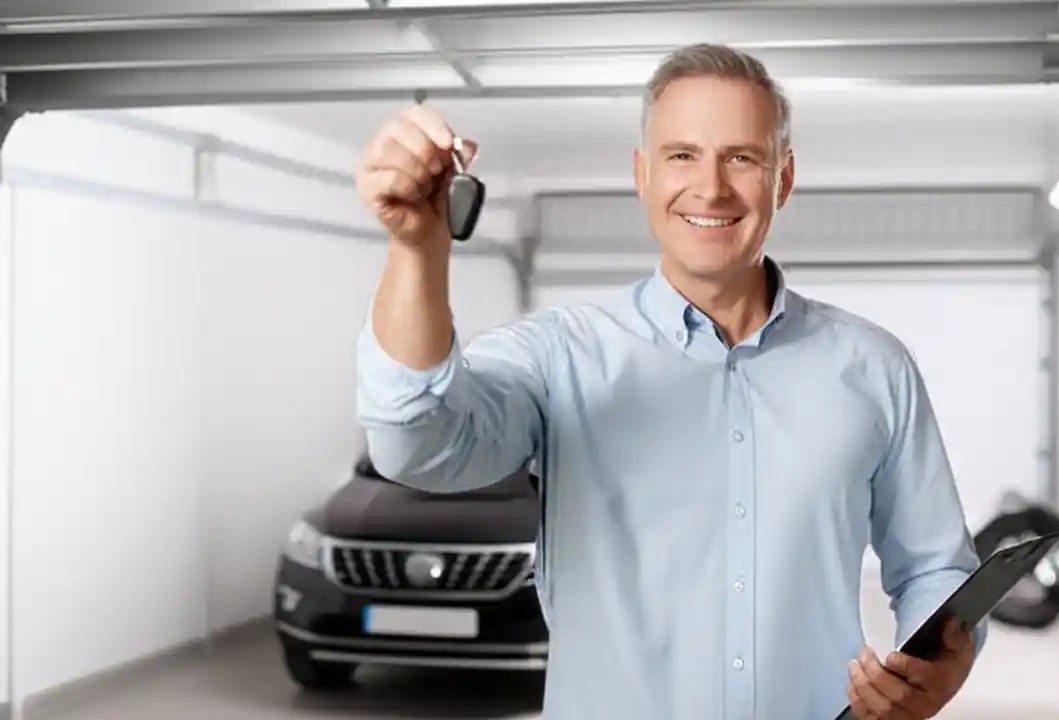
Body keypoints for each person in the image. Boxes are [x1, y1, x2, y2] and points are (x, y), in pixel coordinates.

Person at [354, 43, 984, 720]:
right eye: (682, 155)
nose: (710, 187)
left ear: (784, 179)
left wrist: (941, 662)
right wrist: (417, 251)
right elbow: (415, 443)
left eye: (742, 157)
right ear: (643, 175)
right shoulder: (559, 355)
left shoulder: (875, 367)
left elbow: (934, 567)